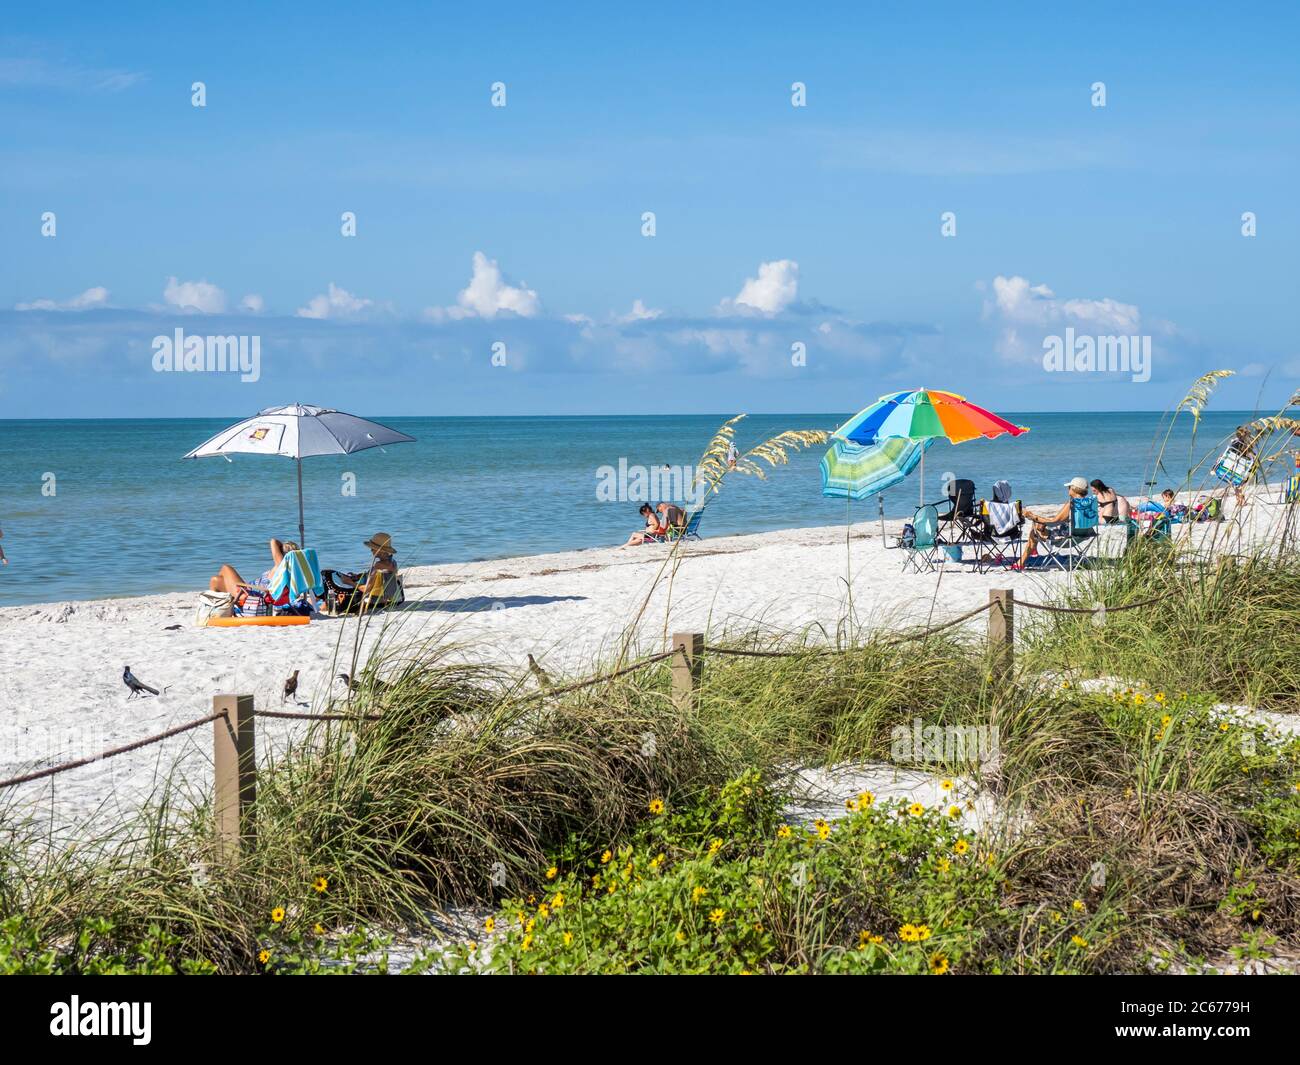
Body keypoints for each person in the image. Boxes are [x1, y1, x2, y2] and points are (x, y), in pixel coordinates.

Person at [1012, 477, 1090, 570]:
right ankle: (1033, 549)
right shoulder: (1089, 502)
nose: (1068, 489)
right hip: (1083, 535)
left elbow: (1054, 521)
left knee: (1034, 531)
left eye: (1069, 487)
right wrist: (1042, 521)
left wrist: (1033, 516)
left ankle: (1022, 561)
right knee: (1040, 525)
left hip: (1066, 538)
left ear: (1074, 489)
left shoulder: (1072, 503)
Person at [209, 537, 297, 597]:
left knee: (226, 568)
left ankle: (218, 607)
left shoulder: (281, 567)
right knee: (215, 580)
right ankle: (217, 608)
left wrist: (281, 545)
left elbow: (273, 541)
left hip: (248, 597)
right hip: (249, 593)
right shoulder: (289, 571)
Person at [322, 532, 399, 592]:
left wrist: (348, 582)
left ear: (381, 551)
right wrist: (359, 576)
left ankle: (316, 606)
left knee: (327, 576)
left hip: (369, 596)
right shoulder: (393, 563)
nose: (371, 550)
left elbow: (367, 589)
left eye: (373, 548)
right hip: (384, 595)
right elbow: (376, 580)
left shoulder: (378, 565)